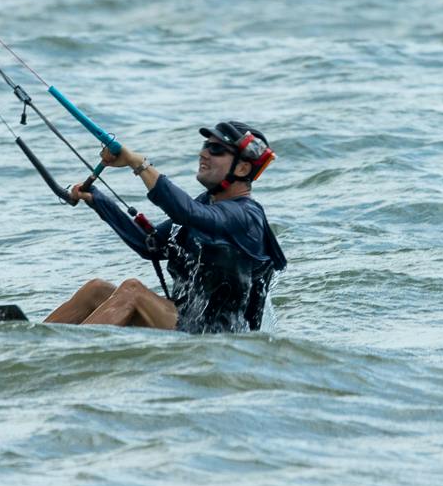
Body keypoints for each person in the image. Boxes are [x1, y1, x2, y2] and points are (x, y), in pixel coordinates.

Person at [45, 120, 288, 332]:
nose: (204, 154)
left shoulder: (246, 215)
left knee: (133, 291)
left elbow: (188, 213)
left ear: (243, 168)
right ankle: (30, 343)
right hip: (185, 318)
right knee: (95, 289)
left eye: (216, 149)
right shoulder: (207, 205)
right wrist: (98, 201)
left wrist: (137, 163)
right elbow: (147, 245)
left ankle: (66, 356)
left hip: (215, 336)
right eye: (205, 146)